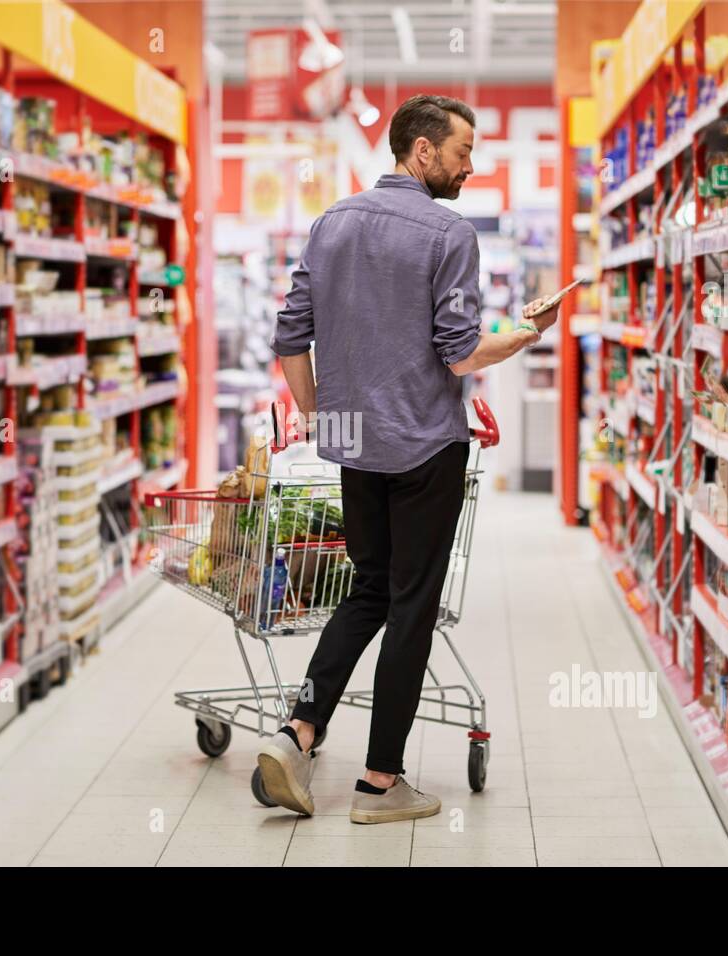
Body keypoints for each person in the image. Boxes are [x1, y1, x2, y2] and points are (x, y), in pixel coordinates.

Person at [258, 94, 560, 824]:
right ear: (421, 152)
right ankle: (380, 783)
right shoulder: (448, 233)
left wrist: (316, 414)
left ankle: (300, 729)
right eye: (462, 151)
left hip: (356, 442)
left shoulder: (331, 222)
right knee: (411, 606)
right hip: (424, 445)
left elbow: (289, 335)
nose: (470, 165)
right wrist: (523, 333)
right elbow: (459, 355)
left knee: (368, 587)